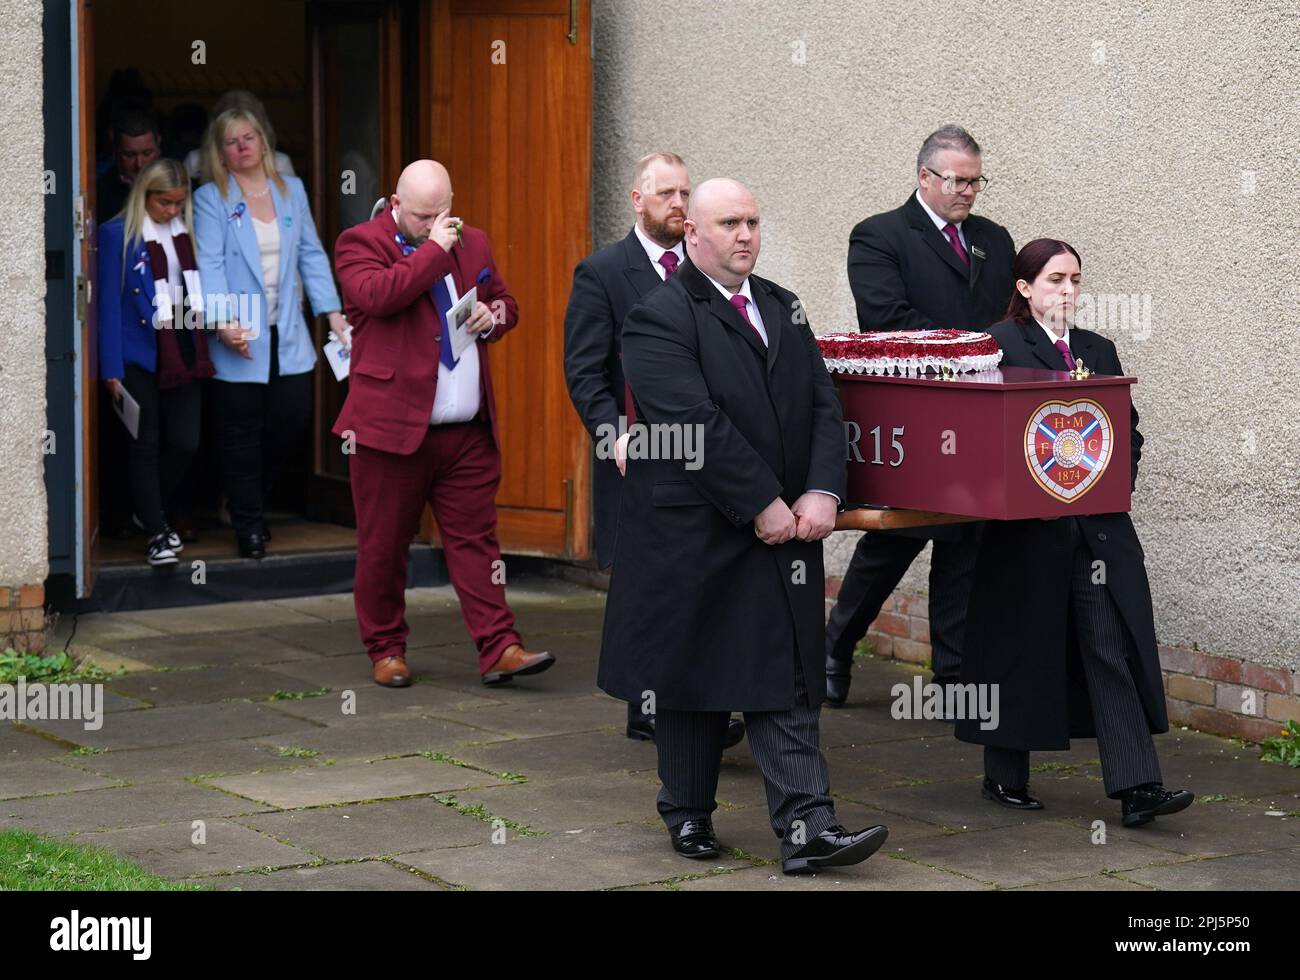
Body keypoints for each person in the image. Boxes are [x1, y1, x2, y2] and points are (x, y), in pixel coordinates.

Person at [601, 177, 888, 874]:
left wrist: (824, 489)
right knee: (693, 674)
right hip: (695, 532)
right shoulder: (658, 316)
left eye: (753, 222)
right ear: (692, 234)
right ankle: (689, 813)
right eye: (729, 223)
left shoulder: (782, 306)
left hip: (786, 530)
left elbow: (824, 403)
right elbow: (691, 423)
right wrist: (761, 500)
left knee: (784, 674)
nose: (745, 235)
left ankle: (807, 829)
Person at [956, 238, 1194, 828]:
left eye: (1076, 281)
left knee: (1109, 645)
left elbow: (1125, 433)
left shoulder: (1096, 348)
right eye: (1056, 280)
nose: (1068, 291)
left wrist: (1116, 485)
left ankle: (1139, 786)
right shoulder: (996, 345)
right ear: (1024, 287)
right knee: (1020, 647)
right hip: (1025, 537)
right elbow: (979, 436)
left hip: (1097, 532)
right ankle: (1004, 776)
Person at [332, 159, 554, 690]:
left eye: (443, 212)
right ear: (395, 204)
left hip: (465, 427)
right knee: (384, 546)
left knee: (477, 542)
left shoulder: (472, 240)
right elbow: (381, 296)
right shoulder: (359, 243)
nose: (436, 224)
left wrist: (493, 317)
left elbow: (507, 301)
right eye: (423, 216)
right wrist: (434, 250)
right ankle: (386, 649)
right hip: (389, 429)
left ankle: (500, 646)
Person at [825, 125, 1016, 706]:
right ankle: (834, 647)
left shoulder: (993, 238)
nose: (968, 192)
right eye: (957, 181)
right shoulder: (880, 235)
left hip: (979, 411)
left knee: (968, 536)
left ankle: (953, 674)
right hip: (913, 413)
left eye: (976, 181)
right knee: (896, 540)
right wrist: (971, 345)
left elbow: (1011, 320)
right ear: (924, 177)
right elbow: (886, 321)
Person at [563, 151, 744, 748]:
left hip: (701, 451)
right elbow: (586, 370)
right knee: (646, 582)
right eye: (665, 192)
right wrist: (609, 430)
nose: (677, 203)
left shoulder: (706, 273)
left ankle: (699, 695)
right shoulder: (604, 272)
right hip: (638, 452)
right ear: (636, 201)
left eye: (685, 193)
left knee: (697, 577)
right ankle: (648, 702)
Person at [193, 107, 346, 558]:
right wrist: (222, 324)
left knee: (291, 419)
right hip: (239, 334)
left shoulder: (291, 190)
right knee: (240, 432)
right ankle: (249, 528)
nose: (241, 148)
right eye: (231, 142)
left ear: (264, 141)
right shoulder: (211, 198)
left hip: (289, 331)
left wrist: (332, 313)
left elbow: (312, 255)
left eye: (249, 138)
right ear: (219, 151)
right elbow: (210, 264)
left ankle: (249, 503)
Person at [97, 159, 214, 565]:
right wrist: (109, 367)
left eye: (179, 204)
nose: (172, 211)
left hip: (180, 345)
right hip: (135, 352)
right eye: (165, 203)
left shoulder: (184, 232)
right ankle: (157, 532)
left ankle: (146, 506)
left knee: (187, 441)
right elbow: (108, 303)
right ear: (144, 195)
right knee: (143, 445)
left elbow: (190, 293)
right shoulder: (116, 235)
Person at [97, 106, 162, 222]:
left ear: (159, 146)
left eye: (147, 153)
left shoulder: (179, 186)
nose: (139, 164)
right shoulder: (100, 194)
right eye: (129, 155)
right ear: (115, 152)